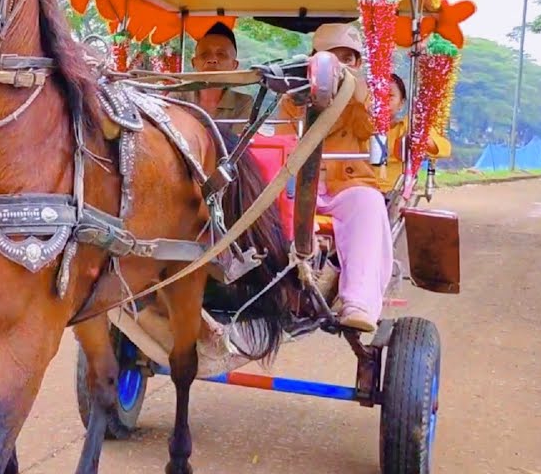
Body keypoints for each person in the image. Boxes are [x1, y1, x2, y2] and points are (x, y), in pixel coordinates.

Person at [276, 23, 392, 333]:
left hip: (348, 186)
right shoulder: (292, 99)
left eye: (348, 58)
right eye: (330, 57)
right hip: (301, 185)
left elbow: (373, 126)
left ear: (358, 63)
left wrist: (352, 89)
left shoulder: (364, 99)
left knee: (368, 203)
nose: (339, 64)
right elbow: (283, 148)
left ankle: (359, 301)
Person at [380, 73, 451, 194]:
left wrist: (420, 139)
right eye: (378, 95)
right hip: (360, 189)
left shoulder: (409, 125)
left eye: (390, 96)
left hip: (395, 192)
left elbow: (444, 149)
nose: (383, 101)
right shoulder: (358, 125)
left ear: (401, 103)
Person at [181, 21, 254, 132]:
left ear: (234, 65)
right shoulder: (178, 97)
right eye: (204, 54)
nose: (212, 60)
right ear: (193, 62)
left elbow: (237, 145)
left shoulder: (243, 102)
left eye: (221, 54)